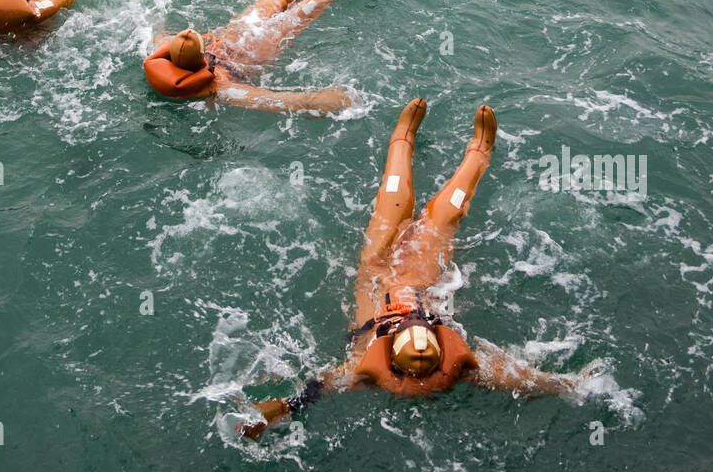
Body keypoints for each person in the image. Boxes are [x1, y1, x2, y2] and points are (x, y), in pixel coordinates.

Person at [240, 99, 597, 438]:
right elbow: (521, 378)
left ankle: (404, 136)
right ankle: (480, 149)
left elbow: (315, 390)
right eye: (425, 326)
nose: (417, 320)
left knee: (393, 196)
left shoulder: (365, 367)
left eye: (409, 327)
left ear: (393, 347)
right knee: (449, 210)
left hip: (377, 269)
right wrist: (569, 385)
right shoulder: (461, 366)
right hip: (422, 271)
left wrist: (274, 412)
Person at [143, 0, 373, 114]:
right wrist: (321, 101)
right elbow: (277, 101)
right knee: (303, 11)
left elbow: (155, 33)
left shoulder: (165, 54)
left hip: (231, 39)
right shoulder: (220, 89)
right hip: (251, 54)